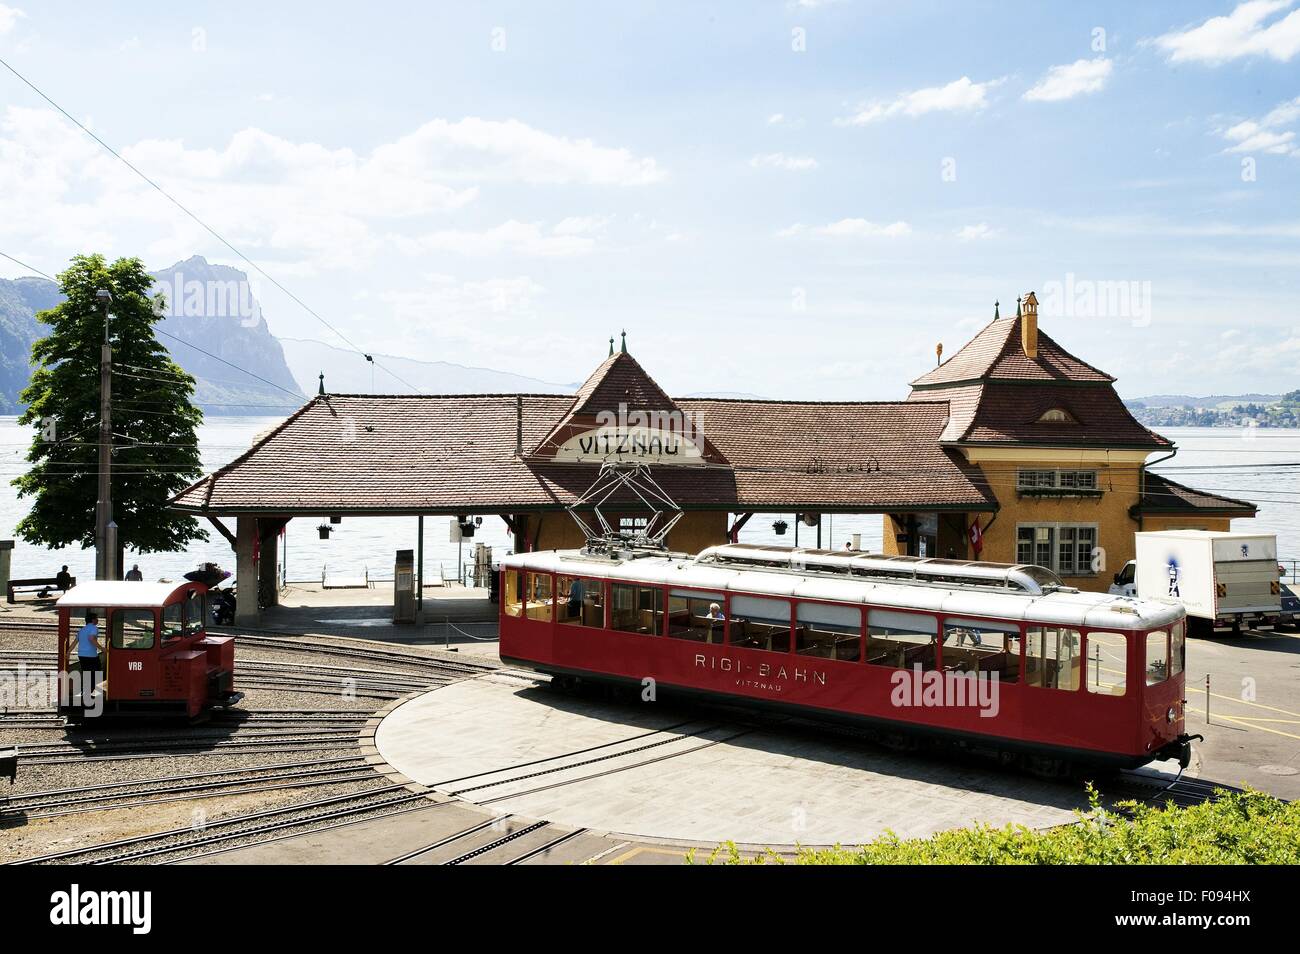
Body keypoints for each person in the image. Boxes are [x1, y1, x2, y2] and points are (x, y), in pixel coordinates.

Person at [76, 611, 104, 705]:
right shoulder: (94, 628)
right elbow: (91, 639)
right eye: (96, 618)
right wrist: (103, 648)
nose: (98, 620)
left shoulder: (82, 630)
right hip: (91, 655)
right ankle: (93, 692)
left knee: (87, 673)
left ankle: (86, 692)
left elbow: (75, 642)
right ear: (93, 620)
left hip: (81, 655)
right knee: (97, 672)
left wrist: (68, 652)